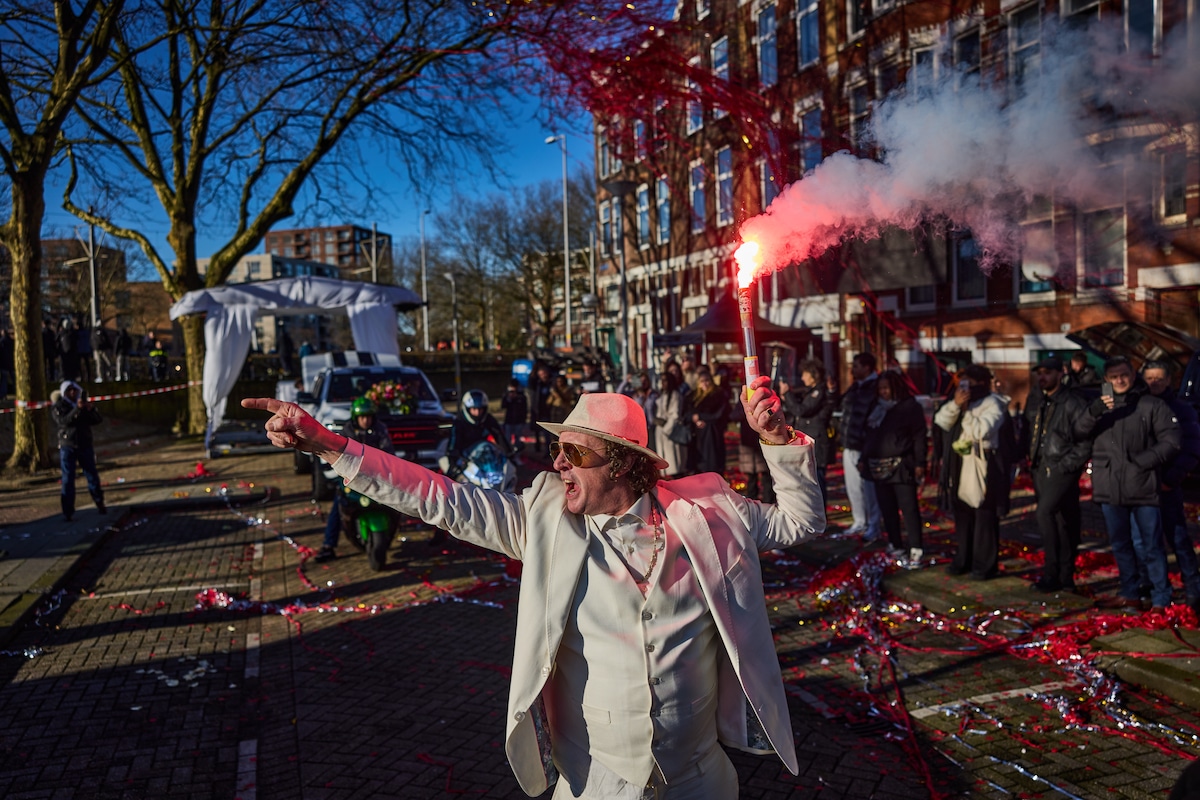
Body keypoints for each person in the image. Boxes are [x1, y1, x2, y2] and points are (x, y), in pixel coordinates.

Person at [242, 380, 825, 798]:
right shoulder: (543, 522)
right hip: (596, 781)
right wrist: (330, 446)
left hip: (698, 780)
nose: (559, 464)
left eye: (576, 452)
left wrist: (775, 437)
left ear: (623, 464)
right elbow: (439, 499)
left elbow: (802, 522)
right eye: (557, 450)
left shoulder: (711, 512)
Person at [1074, 356, 1180, 612]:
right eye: (1114, 377)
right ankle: (1129, 592)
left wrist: (1143, 461)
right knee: (1121, 544)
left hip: (1143, 486)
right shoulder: (1099, 407)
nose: (1119, 380)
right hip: (1109, 487)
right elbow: (1077, 432)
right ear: (1106, 379)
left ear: (1133, 375)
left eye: (1124, 375)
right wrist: (1094, 412)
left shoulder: (1151, 404)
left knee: (1151, 545)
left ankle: (1161, 597)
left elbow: (1172, 441)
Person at [1022, 356, 1092, 593]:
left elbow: (1085, 440)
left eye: (1048, 372)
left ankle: (1053, 574)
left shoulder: (1073, 402)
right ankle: (1063, 577)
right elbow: (1030, 431)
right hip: (1041, 467)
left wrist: (1066, 466)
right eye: (1040, 373)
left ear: (1060, 373)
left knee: (1045, 513)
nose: (1042, 377)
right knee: (1062, 521)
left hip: (1061, 468)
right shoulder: (1039, 399)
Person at [934, 365, 1008, 580]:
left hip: (983, 464)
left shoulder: (993, 403)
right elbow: (941, 422)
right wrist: (955, 405)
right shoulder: (960, 401)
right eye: (963, 383)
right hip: (959, 463)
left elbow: (980, 431)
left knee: (984, 514)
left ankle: (984, 565)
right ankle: (963, 558)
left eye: (970, 383)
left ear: (982, 383)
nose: (966, 388)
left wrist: (966, 412)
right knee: (963, 513)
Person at [1140, 360, 1200, 611]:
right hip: (1141, 487)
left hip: (1166, 485)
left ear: (1168, 381)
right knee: (1145, 540)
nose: (1154, 382)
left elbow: (1191, 448)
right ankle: (1150, 586)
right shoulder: (1136, 407)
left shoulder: (1182, 409)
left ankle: (1194, 588)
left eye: (1159, 378)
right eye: (1149, 378)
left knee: (1178, 538)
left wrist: (1171, 479)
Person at [861, 371, 928, 567]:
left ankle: (916, 547)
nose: (883, 392)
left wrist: (920, 462)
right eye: (880, 388)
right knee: (887, 508)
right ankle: (895, 543)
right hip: (878, 466)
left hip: (902, 465)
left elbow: (919, 436)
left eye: (886, 388)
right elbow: (869, 436)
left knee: (908, 508)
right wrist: (864, 457)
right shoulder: (875, 407)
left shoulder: (910, 407)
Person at [318, 396, 394, 561]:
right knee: (338, 504)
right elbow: (338, 454)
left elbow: (388, 451)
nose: (366, 421)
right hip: (352, 478)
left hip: (377, 478)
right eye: (362, 417)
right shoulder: (347, 431)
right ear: (355, 417)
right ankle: (328, 545)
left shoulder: (380, 429)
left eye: (369, 417)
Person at [782, 359, 837, 507]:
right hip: (810, 442)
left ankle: (820, 512)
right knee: (809, 481)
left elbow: (802, 410)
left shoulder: (818, 392)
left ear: (813, 375)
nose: (802, 378)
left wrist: (787, 395)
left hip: (817, 443)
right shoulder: (810, 391)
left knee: (817, 480)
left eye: (805, 374)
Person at [840, 353, 882, 539]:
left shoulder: (875, 387)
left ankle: (874, 524)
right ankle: (859, 521)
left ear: (867, 367)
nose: (853, 370)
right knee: (853, 487)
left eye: (856, 366)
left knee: (869, 489)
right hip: (850, 442)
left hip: (865, 445)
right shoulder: (855, 387)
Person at [53, 380, 106, 522]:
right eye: (69, 390)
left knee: (91, 474)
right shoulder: (60, 406)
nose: (73, 393)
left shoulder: (82, 405)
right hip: (68, 445)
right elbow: (64, 421)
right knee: (68, 478)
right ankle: (68, 510)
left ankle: (99, 502)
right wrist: (77, 409)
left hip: (84, 444)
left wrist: (91, 409)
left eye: (75, 390)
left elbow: (97, 420)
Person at [447, 389, 515, 473]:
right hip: (465, 457)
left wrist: (509, 453)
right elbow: (453, 442)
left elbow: (499, 435)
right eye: (474, 409)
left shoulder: (488, 419)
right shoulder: (459, 422)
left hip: (482, 454)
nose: (477, 413)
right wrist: (454, 459)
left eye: (480, 409)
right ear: (467, 409)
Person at [689, 371, 729, 475]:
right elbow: (688, 412)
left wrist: (701, 417)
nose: (705, 384)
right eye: (702, 381)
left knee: (712, 464)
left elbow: (719, 414)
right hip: (698, 435)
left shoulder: (718, 395)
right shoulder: (694, 396)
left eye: (707, 380)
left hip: (712, 433)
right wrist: (695, 419)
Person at [654, 371, 688, 478]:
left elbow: (675, 414)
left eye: (665, 380)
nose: (663, 383)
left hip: (670, 430)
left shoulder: (675, 395)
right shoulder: (662, 395)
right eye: (662, 380)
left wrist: (666, 429)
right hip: (661, 431)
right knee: (664, 458)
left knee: (674, 460)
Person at [528, 363, 556, 451]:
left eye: (544, 373)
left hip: (548, 411)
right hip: (537, 410)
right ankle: (538, 447)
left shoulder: (551, 383)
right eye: (541, 373)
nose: (543, 375)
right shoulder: (536, 384)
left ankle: (548, 450)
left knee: (547, 433)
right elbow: (531, 379)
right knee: (537, 431)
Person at [500, 380, 529, 451]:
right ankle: (508, 451)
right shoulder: (506, 395)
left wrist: (523, 421)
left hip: (518, 420)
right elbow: (503, 406)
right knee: (507, 438)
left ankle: (517, 452)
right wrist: (508, 399)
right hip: (509, 420)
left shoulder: (521, 396)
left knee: (517, 439)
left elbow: (524, 409)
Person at [0, 328, 13, 400]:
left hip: (4, 364)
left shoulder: (2, 341)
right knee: (13, 378)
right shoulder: (11, 341)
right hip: (10, 363)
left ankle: (3, 394)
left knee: (4, 380)